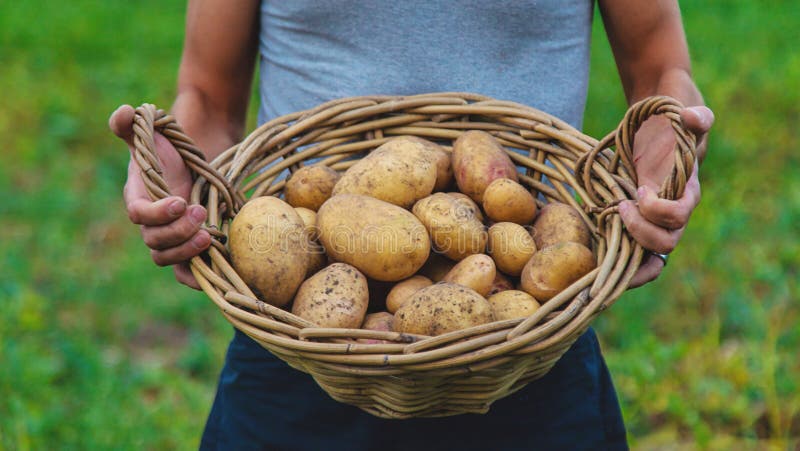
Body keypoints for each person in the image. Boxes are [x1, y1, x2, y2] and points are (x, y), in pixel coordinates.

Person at [110, 1, 714, 449]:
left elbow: (660, 64)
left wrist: (665, 136)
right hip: (296, 341)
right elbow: (209, 97)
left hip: (532, 344)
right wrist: (184, 171)